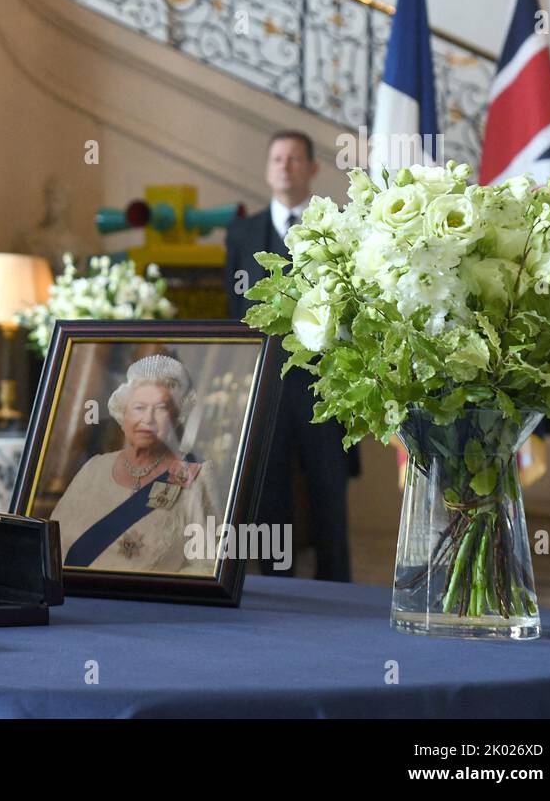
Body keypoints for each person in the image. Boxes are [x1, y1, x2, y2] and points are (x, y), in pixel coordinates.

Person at [224, 130, 353, 581]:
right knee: (269, 491)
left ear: (312, 168)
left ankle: (340, 589)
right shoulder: (241, 233)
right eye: (277, 158)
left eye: (295, 158)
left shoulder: (337, 227)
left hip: (324, 386)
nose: (285, 165)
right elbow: (234, 312)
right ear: (267, 167)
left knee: (328, 492)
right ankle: (278, 590)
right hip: (266, 388)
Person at [50, 354, 216, 575]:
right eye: (139, 407)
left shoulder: (196, 476)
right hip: (76, 596)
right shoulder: (94, 468)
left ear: (177, 418)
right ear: (123, 413)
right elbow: (52, 544)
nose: (147, 419)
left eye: (161, 409)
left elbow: (207, 566)